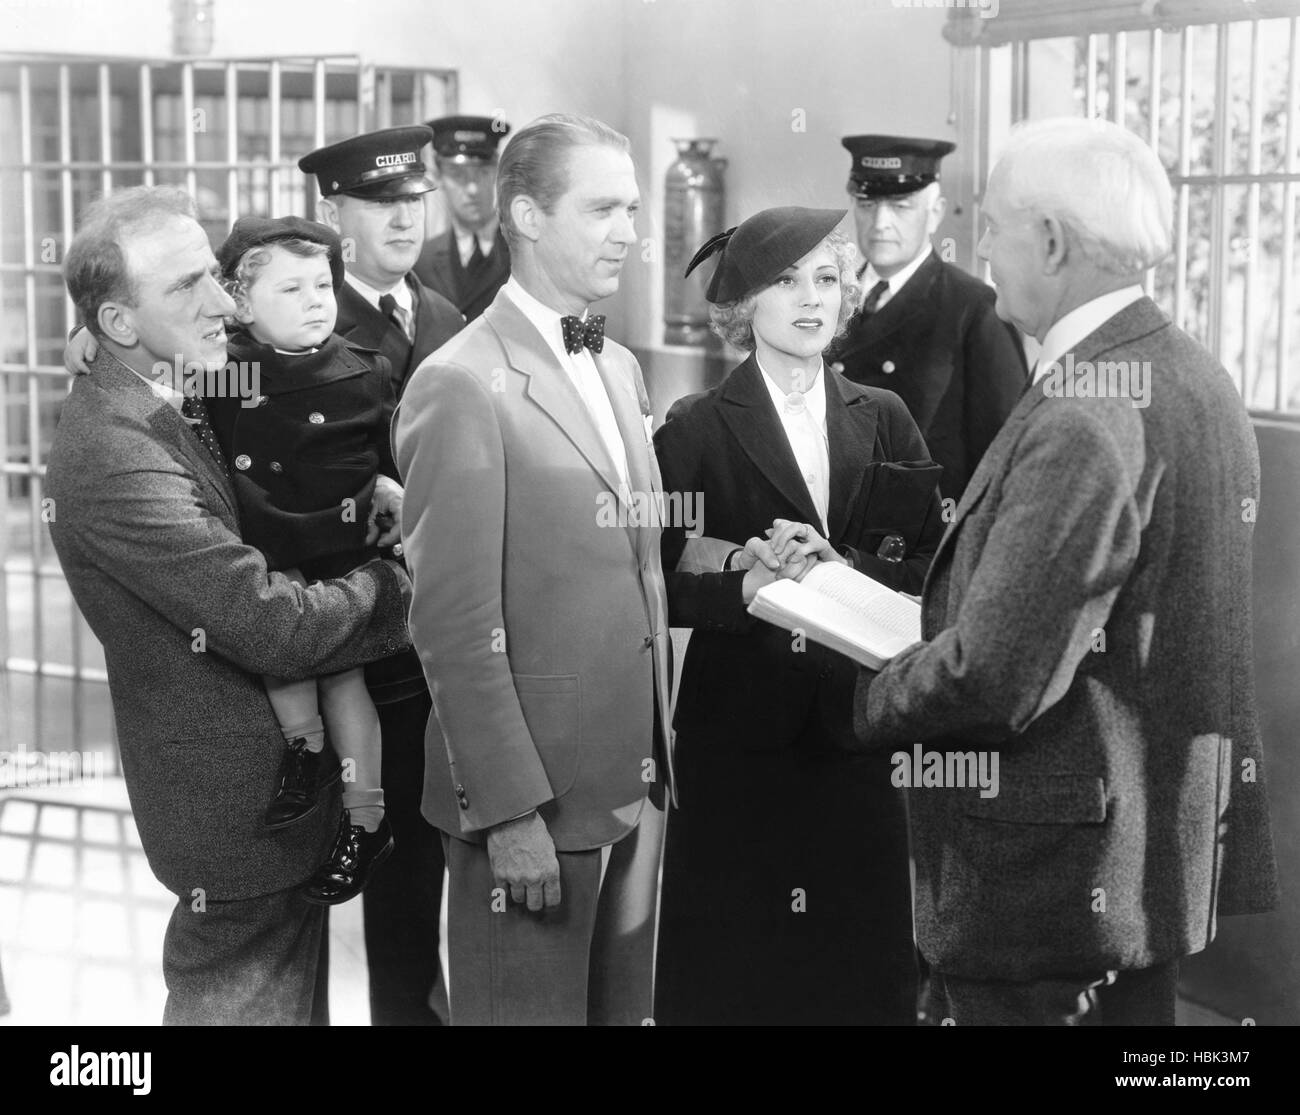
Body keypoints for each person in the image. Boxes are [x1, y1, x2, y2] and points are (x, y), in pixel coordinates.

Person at [851, 117, 1280, 1025]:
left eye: (994, 225)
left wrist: (872, 692)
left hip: (1042, 892)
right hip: (1138, 877)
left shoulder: (1086, 413)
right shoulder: (1197, 376)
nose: (983, 250)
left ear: (1049, 239)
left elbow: (995, 674)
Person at [47, 185, 414, 1025]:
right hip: (234, 816)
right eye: (188, 288)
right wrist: (399, 581)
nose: (222, 303)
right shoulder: (116, 456)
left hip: (276, 807)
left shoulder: (159, 389)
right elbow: (272, 625)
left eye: (215, 276)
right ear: (119, 324)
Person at [393, 113, 673, 1026]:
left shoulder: (620, 365)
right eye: (603, 209)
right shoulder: (460, 382)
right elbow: (451, 624)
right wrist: (509, 814)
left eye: (631, 207)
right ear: (525, 215)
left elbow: (632, 557)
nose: (629, 231)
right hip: (535, 808)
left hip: (633, 788)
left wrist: (745, 561)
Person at [651, 207, 942, 1025]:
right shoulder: (696, 427)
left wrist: (844, 570)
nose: (812, 298)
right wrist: (745, 578)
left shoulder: (884, 413)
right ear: (742, 302)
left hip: (858, 736)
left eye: (825, 278)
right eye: (784, 280)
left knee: (862, 968)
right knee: (735, 971)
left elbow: (936, 567)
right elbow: (654, 581)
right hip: (739, 738)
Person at [298, 124, 465, 1025]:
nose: (405, 218)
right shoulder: (299, 319)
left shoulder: (444, 317)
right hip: (346, 643)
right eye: (380, 203)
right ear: (336, 215)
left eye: (414, 201)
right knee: (353, 871)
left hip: (448, 635)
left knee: (436, 866)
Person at [831, 134, 1027, 503]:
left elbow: (1004, 455)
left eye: (901, 206)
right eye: (867, 204)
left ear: (935, 213)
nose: (880, 223)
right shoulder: (830, 298)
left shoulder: (973, 309)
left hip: (922, 544)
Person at [413, 114, 512, 322]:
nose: (472, 188)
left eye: (482, 172)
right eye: (458, 175)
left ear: (496, 172)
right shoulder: (421, 261)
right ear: (439, 176)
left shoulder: (523, 254)